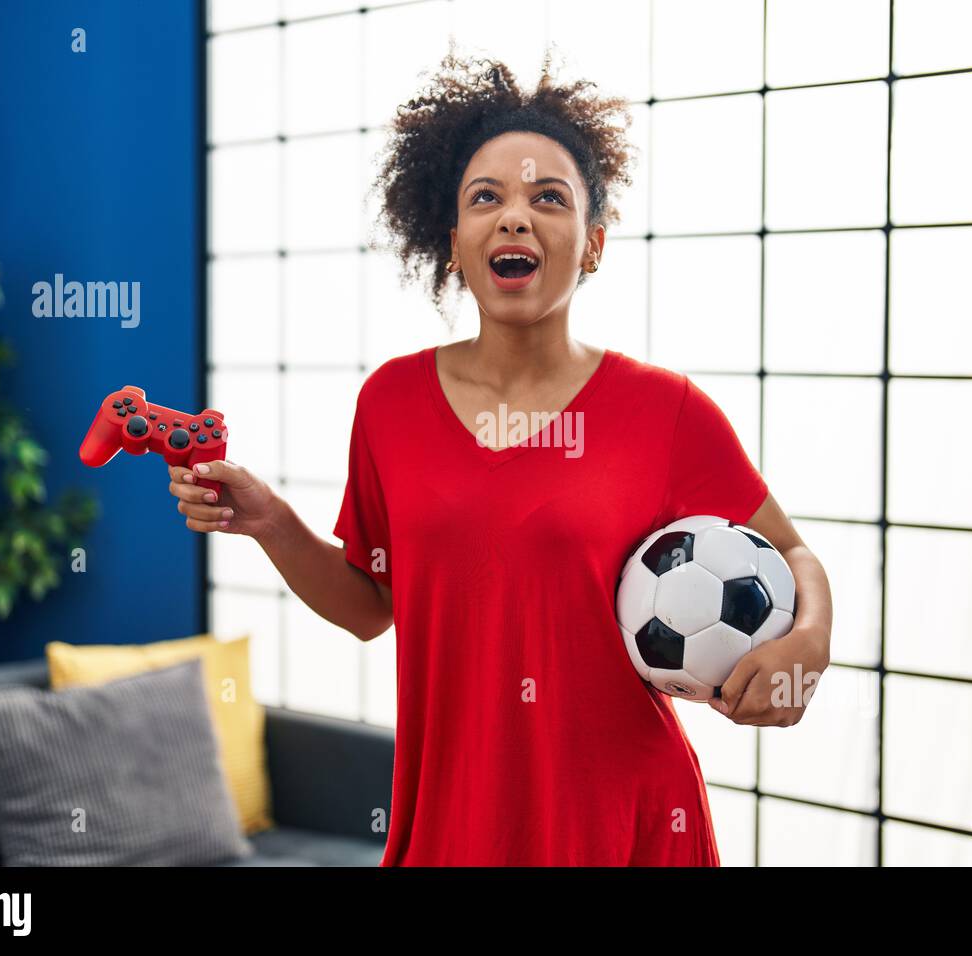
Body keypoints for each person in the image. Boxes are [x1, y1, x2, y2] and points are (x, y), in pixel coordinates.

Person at [168, 49, 832, 867]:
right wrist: (270, 523)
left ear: (591, 244)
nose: (514, 217)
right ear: (454, 242)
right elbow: (372, 606)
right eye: (487, 198)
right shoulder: (390, 403)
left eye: (547, 199)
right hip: (454, 823)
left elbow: (792, 553)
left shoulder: (668, 413)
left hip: (625, 821)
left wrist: (808, 644)